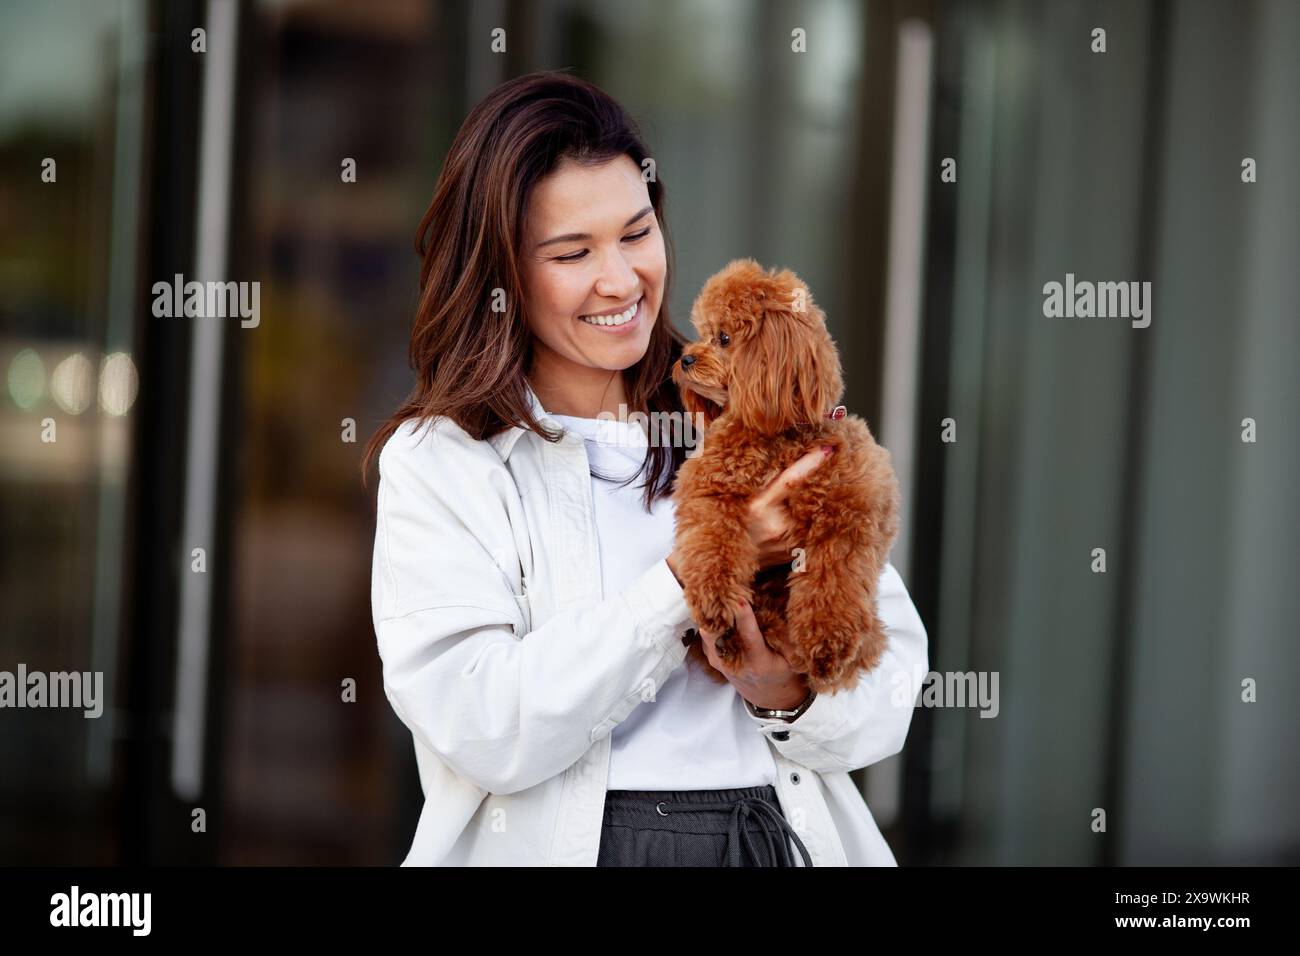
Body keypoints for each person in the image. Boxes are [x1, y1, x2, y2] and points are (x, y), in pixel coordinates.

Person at [363, 70, 928, 866]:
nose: (622, 280)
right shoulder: (445, 462)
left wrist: (789, 697)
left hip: (763, 839)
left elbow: (892, 687)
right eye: (572, 252)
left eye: (636, 233)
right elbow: (481, 724)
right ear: (503, 275)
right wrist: (688, 580)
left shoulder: (752, 414)